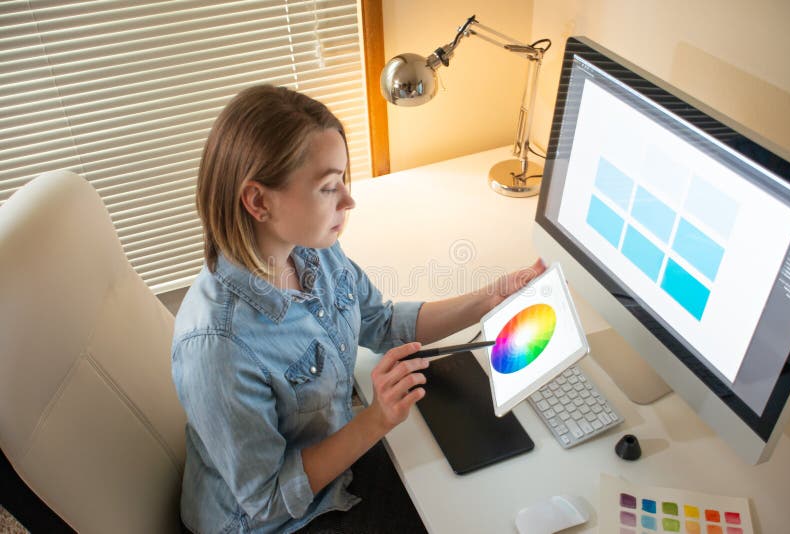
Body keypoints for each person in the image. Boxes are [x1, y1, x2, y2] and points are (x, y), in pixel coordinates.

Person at [171, 84, 545, 533]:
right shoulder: (217, 347)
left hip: (333, 456)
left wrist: (491, 298)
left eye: (344, 180)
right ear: (258, 201)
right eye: (329, 187)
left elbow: (380, 322)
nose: (349, 201)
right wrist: (377, 419)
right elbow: (267, 500)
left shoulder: (311, 249)